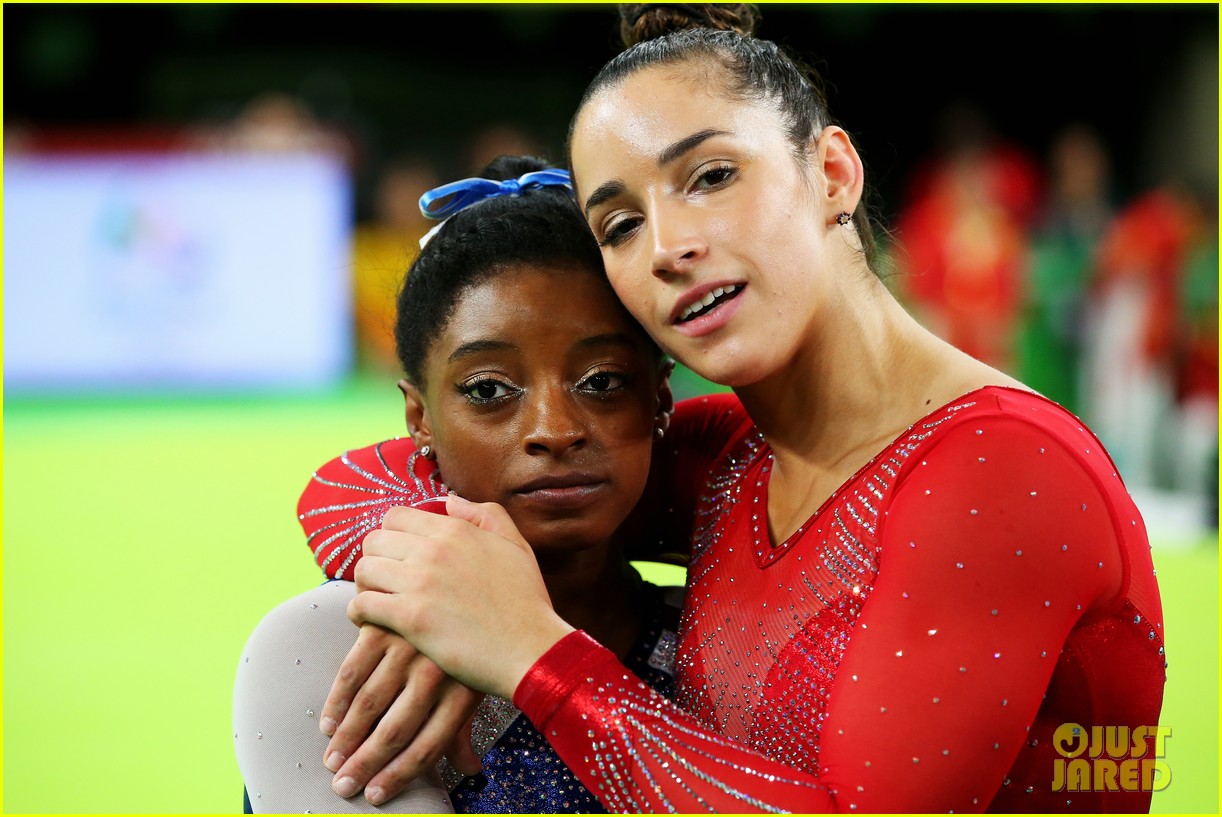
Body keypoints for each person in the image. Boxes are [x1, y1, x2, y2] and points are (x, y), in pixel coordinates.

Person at [326, 5, 1167, 812]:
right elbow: (350, 484)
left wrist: (527, 651)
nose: (667, 248)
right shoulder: (736, 455)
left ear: (832, 172)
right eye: (620, 223)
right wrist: (440, 578)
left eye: (712, 176)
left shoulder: (999, 469)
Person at [234, 154, 688, 812]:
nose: (554, 429)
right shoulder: (337, 648)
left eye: (603, 381)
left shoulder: (721, 640)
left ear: (659, 396)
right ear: (419, 416)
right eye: (489, 389)